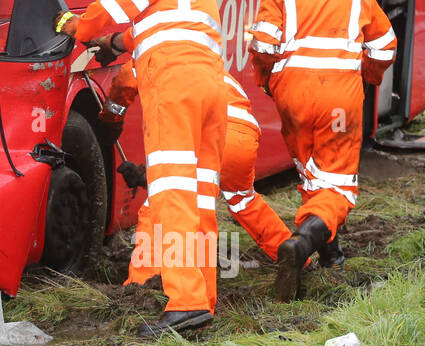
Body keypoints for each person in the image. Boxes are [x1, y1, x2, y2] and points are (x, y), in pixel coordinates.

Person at [55, 0, 226, 337]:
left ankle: (184, 303)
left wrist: (75, 27)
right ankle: (202, 298)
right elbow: (146, 29)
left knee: (171, 195)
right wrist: (114, 44)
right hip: (210, 90)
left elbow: (106, 10)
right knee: (200, 198)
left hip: (175, 89)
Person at [248, 0, 396, 301]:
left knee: (311, 173)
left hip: (294, 100)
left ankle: (331, 254)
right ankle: (302, 243)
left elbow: (263, 47)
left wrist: (269, 82)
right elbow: (384, 47)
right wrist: (365, 74)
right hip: (340, 103)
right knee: (337, 185)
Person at [103, 52, 294, 301]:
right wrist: (146, 176)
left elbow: (124, 83)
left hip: (208, 134)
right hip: (243, 136)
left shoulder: (155, 52)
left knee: (159, 204)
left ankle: (140, 286)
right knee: (243, 199)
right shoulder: (208, 62)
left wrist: (111, 118)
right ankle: (293, 251)